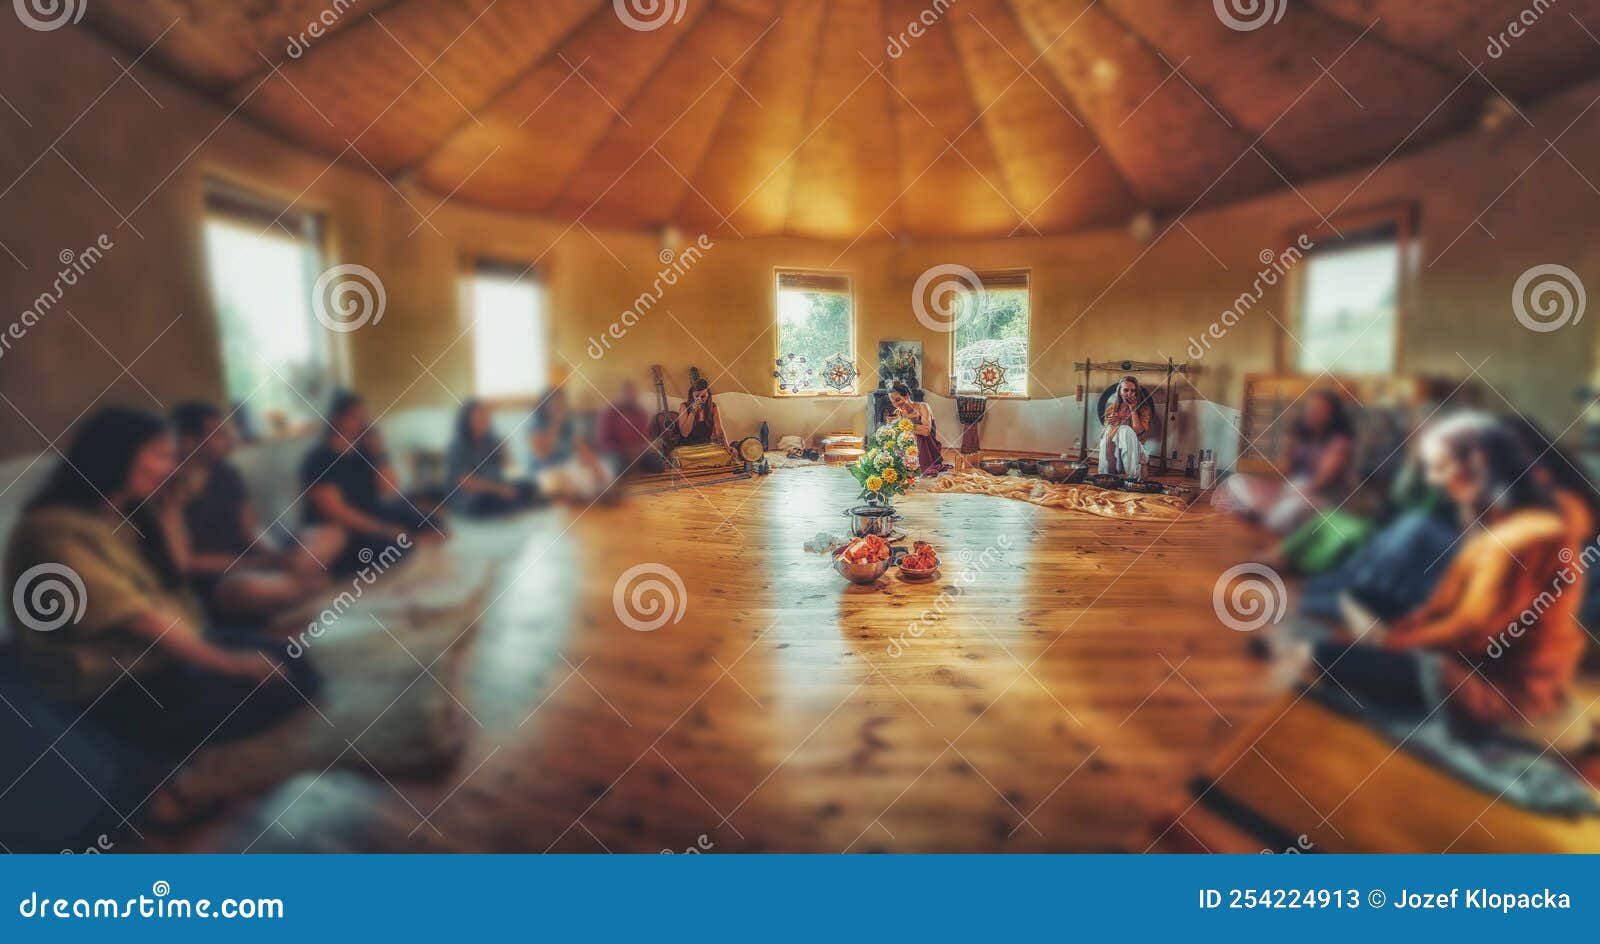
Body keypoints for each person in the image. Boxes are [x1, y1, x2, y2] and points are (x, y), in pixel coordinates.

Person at [3, 407, 319, 819]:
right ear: (116, 455)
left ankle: (167, 747)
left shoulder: (121, 514)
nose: (168, 467)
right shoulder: (51, 530)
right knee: (277, 686)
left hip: (164, 655)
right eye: (158, 454)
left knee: (296, 663)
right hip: (112, 684)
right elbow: (137, 617)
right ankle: (145, 765)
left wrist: (167, 512)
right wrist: (228, 662)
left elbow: (173, 575)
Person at [1312, 414, 1585, 734]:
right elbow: (1445, 604)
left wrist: (1394, 642)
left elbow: (1472, 630)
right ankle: (1348, 619)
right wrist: (1406, 629)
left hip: (1496, 686)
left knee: (1326, 657)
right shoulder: (1495, 517)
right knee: (1362, 598)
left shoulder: (1534, 530)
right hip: (1467, 654)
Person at [169, 402, 341, 622]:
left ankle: (292, 586)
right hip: (220, 577)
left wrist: (274, 556)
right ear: (188, 441)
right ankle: (297, 587)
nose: (230, 439)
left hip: (251, 560)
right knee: (249, 590)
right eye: (219, 433)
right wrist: (259, 564)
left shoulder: (228, 474)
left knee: (330, 534)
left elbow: (250, 532)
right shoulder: (170, 489)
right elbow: (189, 563)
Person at [301, 391, 442, 573]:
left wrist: (379, 453)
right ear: (338, 419)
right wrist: (383, 529)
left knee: (433, 522)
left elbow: (390, 488)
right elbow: (336, 512)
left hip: (371, 510)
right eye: (356, 417)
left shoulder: (364, 449)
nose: (362, 423)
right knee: (394, 547)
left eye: (364, 417)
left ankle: (409, 541)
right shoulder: (320, 458)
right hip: (340, 527)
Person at [1216, 389, 1356, 532]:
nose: (1311, 412)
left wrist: (1282, 497)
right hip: (1290, 490)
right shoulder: (1302, 436)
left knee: (1286, 512)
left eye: (1318, 409)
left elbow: (1320, 483)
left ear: (1332, 415)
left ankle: (1254, 512)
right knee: (1237, 481)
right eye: (1309, 408)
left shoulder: (1340, 443)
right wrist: (1269, 488)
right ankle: (1257, 512)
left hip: (1318, 498)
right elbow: (1283, 472)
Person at [445, 400, 536, 516]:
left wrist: (505, 451)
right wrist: (500, 490)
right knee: (487, 501)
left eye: (486, 416)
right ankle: (513, 505)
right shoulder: (458, 445)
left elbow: (510, 469)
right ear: (467, 420)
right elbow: (465, 482)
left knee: (529, 486)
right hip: (470, 495)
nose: (484, 420)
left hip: (495, 486)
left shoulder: (491, 440)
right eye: (479, 416)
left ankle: (514, 505)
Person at [529, 387, 608, 500]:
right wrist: (556, 422)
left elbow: (581, 447)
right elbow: (543, 453)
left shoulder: (567, 423)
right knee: (569, 485)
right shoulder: (536, 424)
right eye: (554, 402)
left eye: (561, 402)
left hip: (566, 466)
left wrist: (596, 468)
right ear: (545, 405)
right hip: (543, 470)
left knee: (600, 472)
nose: (559, 405)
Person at [596, 379, 667, 476]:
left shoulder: (640, 413)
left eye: (633, 393)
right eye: (628, 393)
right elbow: (604, 443)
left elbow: (643, 438)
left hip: (637, 453)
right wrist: (625, 451)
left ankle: (635, 466)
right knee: (618, 467)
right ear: (621, 395)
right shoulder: (609, 413)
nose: (631, 396)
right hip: (617, 453)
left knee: (659, 465)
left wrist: (648, 447)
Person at [889, 381, 950, 476]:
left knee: (920, 436)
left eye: (898, 400)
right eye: (893, 402)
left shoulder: (923, 407)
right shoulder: (898, 412)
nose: (896, 405)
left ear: (906, 396)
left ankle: (920, 463)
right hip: (909, 447)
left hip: (926, 448)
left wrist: (905, 421)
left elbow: (926, 431)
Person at [1097, 376, 1153, 479]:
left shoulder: (1144, 409)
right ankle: (1107, 475)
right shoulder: (1111, 409)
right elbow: (1108, 435)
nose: (1129, 393)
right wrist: (1114, 423)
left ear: (1137, 393)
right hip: (1114, 448)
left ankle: (1131, 476)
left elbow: (1138, 431)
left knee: (1125, 430)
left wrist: (1133, 410)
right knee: (1107, 434)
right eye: (1126, 390)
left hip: (1136, 447)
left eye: (1133, 391)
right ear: (1120, 392)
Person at [675, 378, 726, 447]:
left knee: (726, 454)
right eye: (696, 396)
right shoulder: (684, 406)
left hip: (706, 446)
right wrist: (693, 411)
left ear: (708, 395)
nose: (700, 399)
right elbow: (684, 433)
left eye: (703, 396)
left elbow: (719, 431)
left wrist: (727, 446)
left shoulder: (713, 407)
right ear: (692, 395)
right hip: (687, 447)